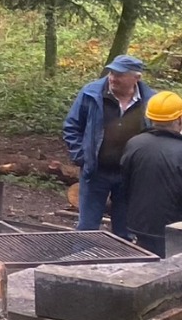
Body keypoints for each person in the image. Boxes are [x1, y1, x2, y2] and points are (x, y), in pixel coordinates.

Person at [63, 54, 156, 238]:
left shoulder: (151, 100)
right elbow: (72, 126)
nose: (113, 78)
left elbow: (154, 135)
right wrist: (82, 157)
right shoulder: (91, 93)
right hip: (96, 172)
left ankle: (121, 264)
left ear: (136, 78)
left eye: (120, 74)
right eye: (112, 72)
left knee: (125, 229)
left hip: (129, 175)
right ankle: (82, 264)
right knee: (87, 227)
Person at [120, 91, 182, 256]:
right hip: (177, 230)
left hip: (140, 226)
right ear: (180, 120)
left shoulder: (134, 143)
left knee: (146, 270)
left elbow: (125, 184)